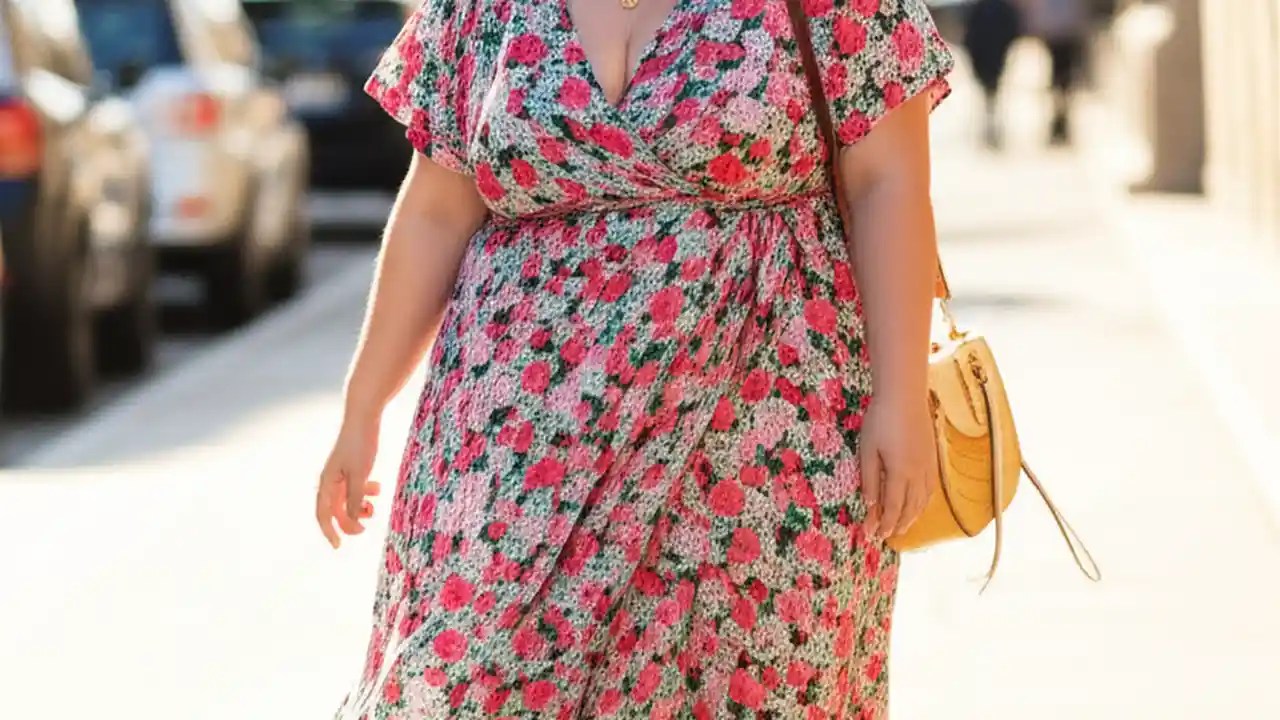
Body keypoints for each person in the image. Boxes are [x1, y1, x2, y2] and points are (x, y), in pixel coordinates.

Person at [316, 0, 953, 716]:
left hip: (763, 437)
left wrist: (899, 398)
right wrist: (363, 405)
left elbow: (888, 184)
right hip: (516, 454)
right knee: (475, 686)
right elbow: (436, 208)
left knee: (746, 686)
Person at [1017, 0, 1090, 143]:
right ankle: (1059, 121)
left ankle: (1061, 121)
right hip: (1058, 40)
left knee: (1063, 85)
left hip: (1065, 39)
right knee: (1059, 84)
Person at [963, 0, 1023, 149]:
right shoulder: (985, 8)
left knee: (991, 94)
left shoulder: (989, 8)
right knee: (990, 94)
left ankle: (991, 127)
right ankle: (990, 127)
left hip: (993, 56)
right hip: (988, 56)